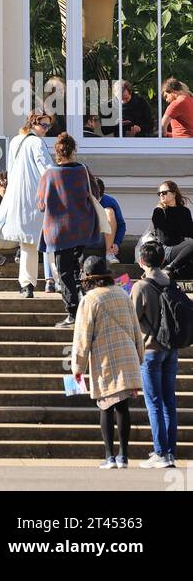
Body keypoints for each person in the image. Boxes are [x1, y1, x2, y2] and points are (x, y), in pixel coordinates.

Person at [71, 254, 144, 469]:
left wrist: (78, 367)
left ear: (89, 278)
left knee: (105, 406)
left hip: (105, 358)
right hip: (127, 355)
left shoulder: (90, 299)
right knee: (122, 407)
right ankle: (124, 456)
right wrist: (139, 356)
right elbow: (136, 329)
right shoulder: (123, 294)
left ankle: (109, 456)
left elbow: (82, 336)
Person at [37, 132, 100, 327]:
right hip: (83, 227)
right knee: (77, 269)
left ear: (57, 152)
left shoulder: (49, 174)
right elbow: (96, 193)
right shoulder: (83, 170)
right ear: (74, 150)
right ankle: (84, 308)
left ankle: (73, 312)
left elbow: (40, 204)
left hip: (59, 231)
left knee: (64, 272)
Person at [0, 113, 54, 299]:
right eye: (44, 125)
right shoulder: (37, 143)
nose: (46, 130)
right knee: (50, 243)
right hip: (37, 198)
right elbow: (46, 170)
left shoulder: (15, 141)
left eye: (48, 127)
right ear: (34, 124)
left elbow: (11, 170)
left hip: (17, 198)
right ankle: (58, 282)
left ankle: (27, 285)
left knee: (28, 243)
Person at [132, 239, 179, 468]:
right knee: (169, 401)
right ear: (162, 260)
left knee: (154, 403)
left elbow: (132, 319)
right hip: (171, 349)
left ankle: (160, 453)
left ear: (142, 261)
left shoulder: (140, 287)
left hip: (150, 349)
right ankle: (169, 452)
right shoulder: (170, 283)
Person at [150, 180, 193, 279]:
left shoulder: (185, 211)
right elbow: (165, 239)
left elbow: (190, 232)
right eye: (159, 193)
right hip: (166, 250)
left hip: (184, 250)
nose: (161, 195)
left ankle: (172, 273)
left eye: (164, 192)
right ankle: (170, 268)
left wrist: (183, 239)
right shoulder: (159, 211)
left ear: (174, 194)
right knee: (191, 243)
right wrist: (183, 239)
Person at [96, 178, 126, 265]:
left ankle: (109, 253)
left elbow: (121, 225)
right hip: (86, 237)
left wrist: (116, 243)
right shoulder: (82, 201)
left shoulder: (110, 201)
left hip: (104, 237)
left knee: (109, 211)